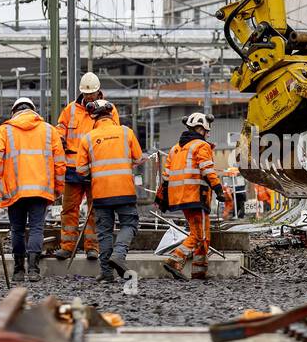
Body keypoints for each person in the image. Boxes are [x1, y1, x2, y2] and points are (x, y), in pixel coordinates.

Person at [0, 96, 66, 283]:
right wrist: (58, 189)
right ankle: (33, 269)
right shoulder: (49, 131)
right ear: (33, 110)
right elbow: (60, 164)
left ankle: (18, 270)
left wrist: (2, 181)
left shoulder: (4, 130)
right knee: (37, 228)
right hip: (40, 190)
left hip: (15, 191)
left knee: (17, 229)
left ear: (14, 112)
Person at [76, 99, 142, 284]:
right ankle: (119, 254)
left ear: (94, 117)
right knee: (129, 223)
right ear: (112, 115)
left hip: (101, 193)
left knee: (104, 231)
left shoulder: (88, 138)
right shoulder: (126, 132)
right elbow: (138, 158)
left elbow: (80, 171)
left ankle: (106, 272)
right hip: (124, 189)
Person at [55, 71, 118, 260]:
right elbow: (61, 127)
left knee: (95, 210)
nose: (89, 96)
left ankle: (92, 247)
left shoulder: (109, 110)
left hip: (96, 168)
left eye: (92, 93)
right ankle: (67, 246)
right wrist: (60, 138)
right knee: (69, 209)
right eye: (86, 93)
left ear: (99, 92)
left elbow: (113, 133)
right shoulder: (70, 110)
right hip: (72, 168)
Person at [158, 112, 224, 281]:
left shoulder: (175, 149)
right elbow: (207, 169)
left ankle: (199, 272)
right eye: (206, 131)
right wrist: (218, 188)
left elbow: (166, 176)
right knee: (199, 235)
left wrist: (162, 198)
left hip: (181, 198)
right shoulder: (201, 146)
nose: (207, 134)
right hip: (196, 196)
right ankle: (175, 259)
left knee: (204, 235)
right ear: (200, 128)